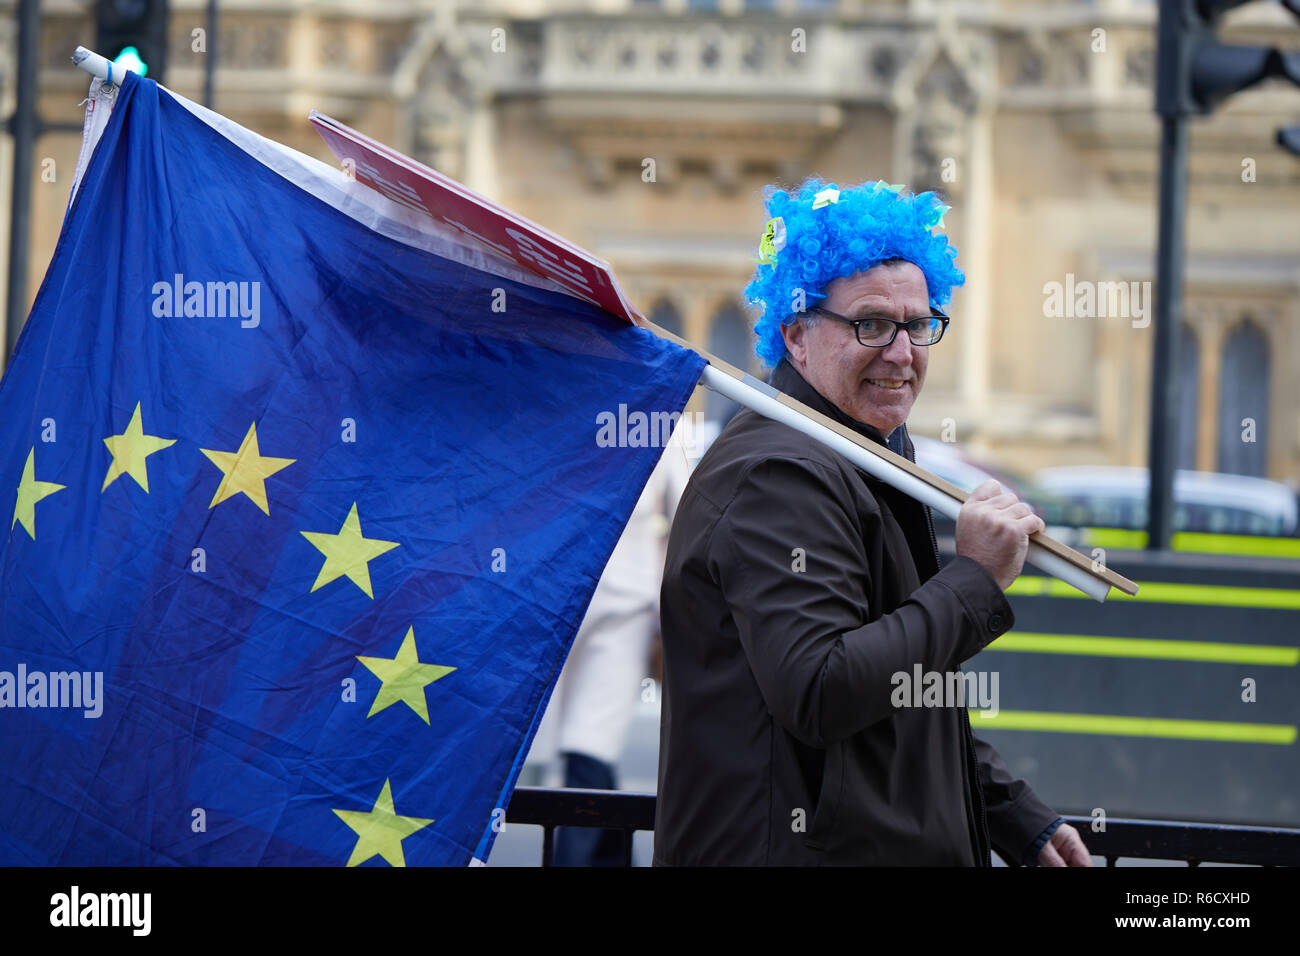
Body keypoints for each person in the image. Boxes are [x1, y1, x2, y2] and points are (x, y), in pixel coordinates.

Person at [653, 177, 1092, 866]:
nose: (901, 352)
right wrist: (974, 581)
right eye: (871, 324)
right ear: (795, 334)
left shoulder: (869, 451)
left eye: (919, 325)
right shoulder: (779, 471)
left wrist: (1009, 812)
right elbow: (824, 689)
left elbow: (905, 691)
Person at [528, 433, 692, 865]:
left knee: (590, 746)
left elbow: (688, 518)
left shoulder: (656, 417)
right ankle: (609, 853)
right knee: (551, 750)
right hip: (546, 612)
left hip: (624, 613)